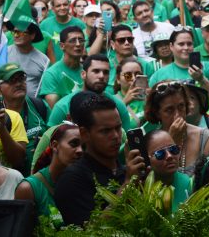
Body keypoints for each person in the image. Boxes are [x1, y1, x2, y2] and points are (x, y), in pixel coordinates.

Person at [55, 92, 144, 227]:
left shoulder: (127, 171)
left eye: (118, 128)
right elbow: (92, 230)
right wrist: (128, 185)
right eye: (105, 131)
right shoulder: (72, 179)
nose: (115, 136)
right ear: (84, 134)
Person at [142, 80, 209, 176]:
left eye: (181, 107)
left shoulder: (204, 137)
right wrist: (172, 142)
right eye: (169, 110)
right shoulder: (149, 143)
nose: (177, 115)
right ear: (157, 113)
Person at [15, 122, 83, 223]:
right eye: (73, 144)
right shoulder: (28, 189)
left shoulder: (88, 182)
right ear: (54, 145)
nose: (80, 150)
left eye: (84, 146)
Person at [0, 63, 49, 174]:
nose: (18, 84)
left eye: (21, 79)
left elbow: (55, 135)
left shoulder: (39, 105)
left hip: (41, 176)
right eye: (12, 81)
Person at [144, 129, 193, 211]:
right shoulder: (142, 190)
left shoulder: (189, 184)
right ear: (146, 159)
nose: (169, 156)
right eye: (160, 153)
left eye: (173, 149)